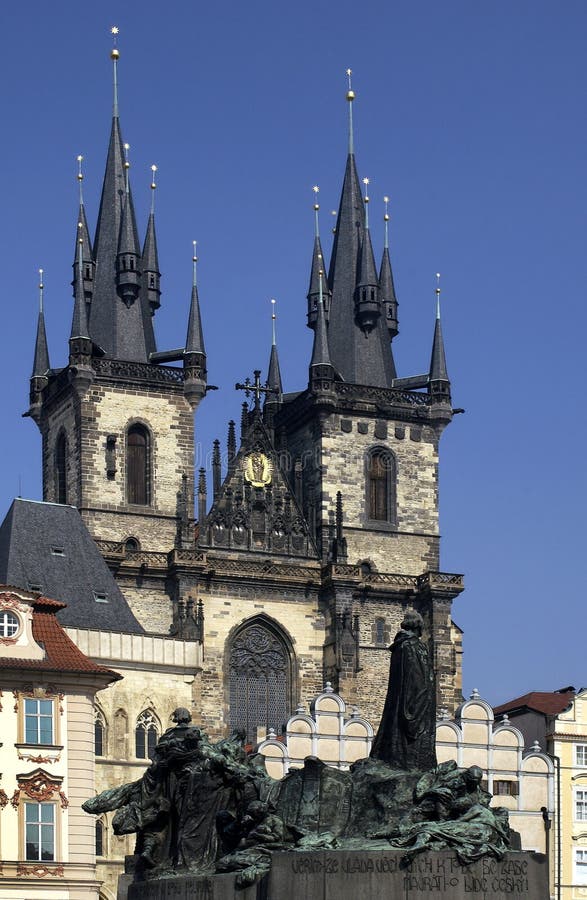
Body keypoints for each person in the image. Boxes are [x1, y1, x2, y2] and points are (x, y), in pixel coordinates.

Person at [370, 610, 436, 771]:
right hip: (416, 702)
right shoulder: (412, 646)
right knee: (414, 747)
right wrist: (417, 706)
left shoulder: (401, 646)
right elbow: (417, 679)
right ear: (418, 625)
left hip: (401, 701)